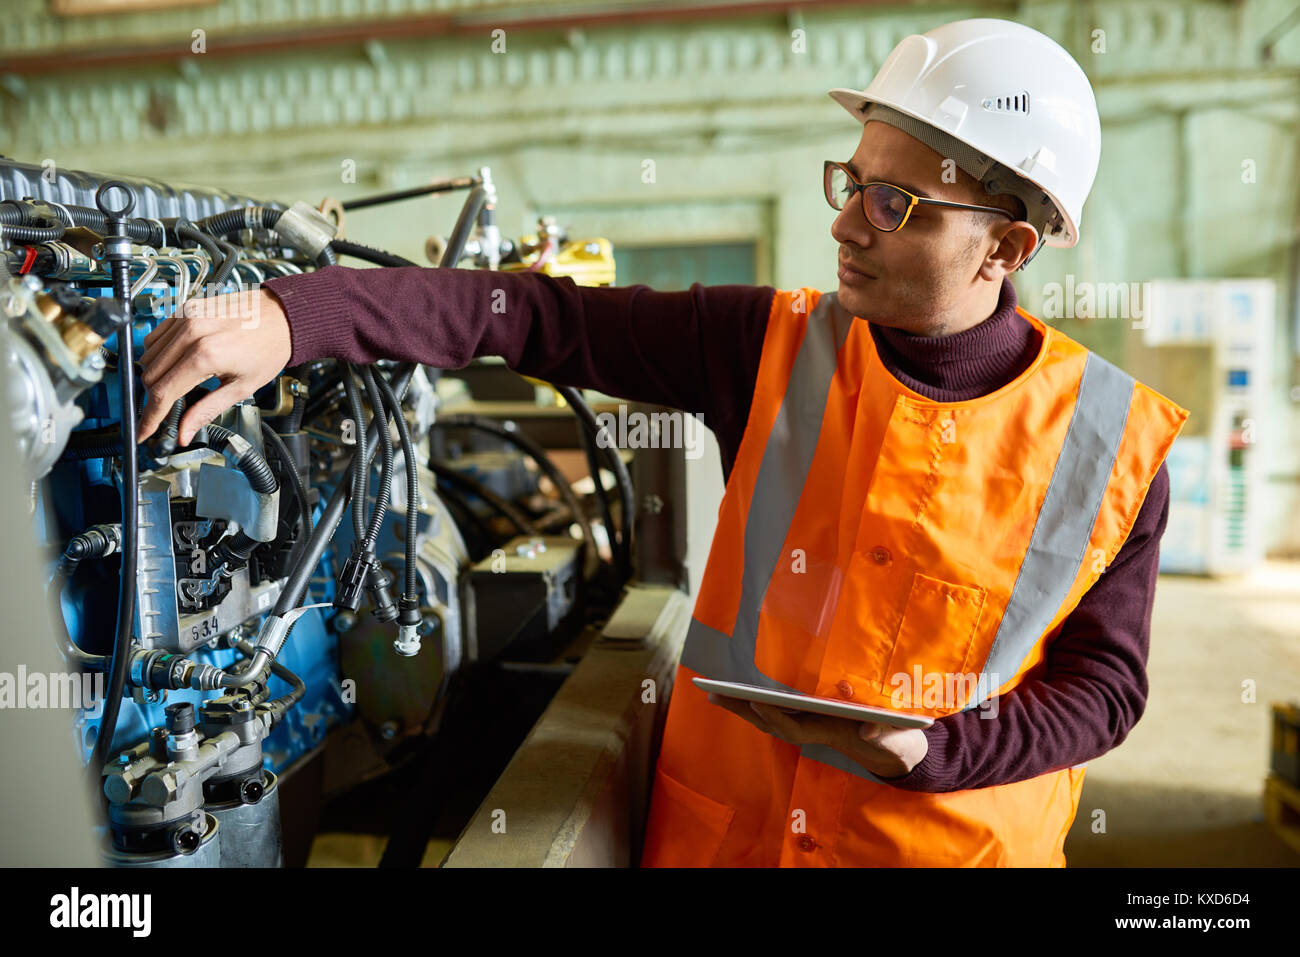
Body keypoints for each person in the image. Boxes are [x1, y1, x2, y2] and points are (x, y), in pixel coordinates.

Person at [138, 18, 1188, 866]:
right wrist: (295, 317)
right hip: (719, 843)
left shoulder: (1111, 443)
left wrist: (938, 750)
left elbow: (1103, 691)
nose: (845, 224)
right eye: (852, 179)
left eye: (893, 201)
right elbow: (532, 318)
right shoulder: (765, 346)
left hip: (940, 847)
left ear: (1005, 245)